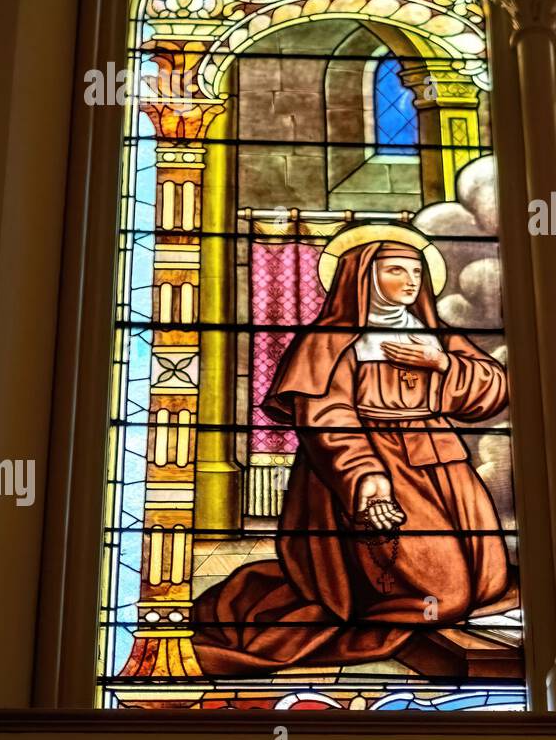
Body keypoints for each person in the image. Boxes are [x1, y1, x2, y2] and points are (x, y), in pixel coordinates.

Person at [193, 227, 511, 674]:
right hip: (373, 471)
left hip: (442, 467)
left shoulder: (433, 334)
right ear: (361, 278)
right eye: (396, 270)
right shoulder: (329, 341)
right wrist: (367, 478)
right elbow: (326, 419)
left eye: (417, 270)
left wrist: (442, 363)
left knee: (488, 582)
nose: (412, 280)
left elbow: (493, 391)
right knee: (443, 594)